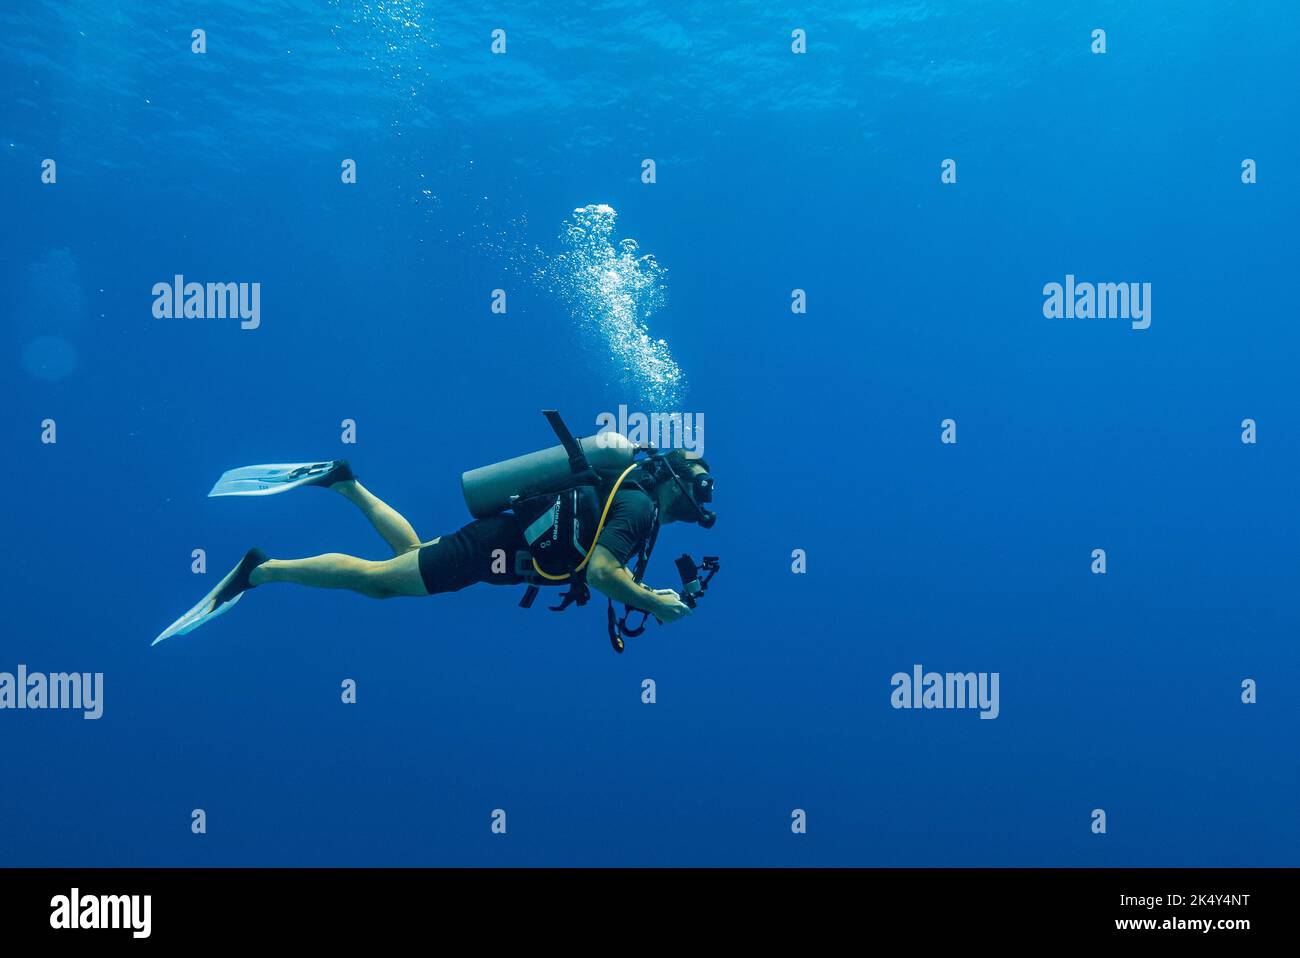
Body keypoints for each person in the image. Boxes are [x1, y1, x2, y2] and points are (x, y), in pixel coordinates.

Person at [152, 450, 714, 646]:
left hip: (497, 544)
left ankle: (343, 480)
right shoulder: (641, 507)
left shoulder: (631, 496)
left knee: (409, 555)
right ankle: (260, 570)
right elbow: (598, 570)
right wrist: (655, 603)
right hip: (491, 548)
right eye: (703, 486)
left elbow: (604, 565)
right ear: (678, 478)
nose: (703, 502)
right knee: (378, 583)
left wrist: (647, 593)